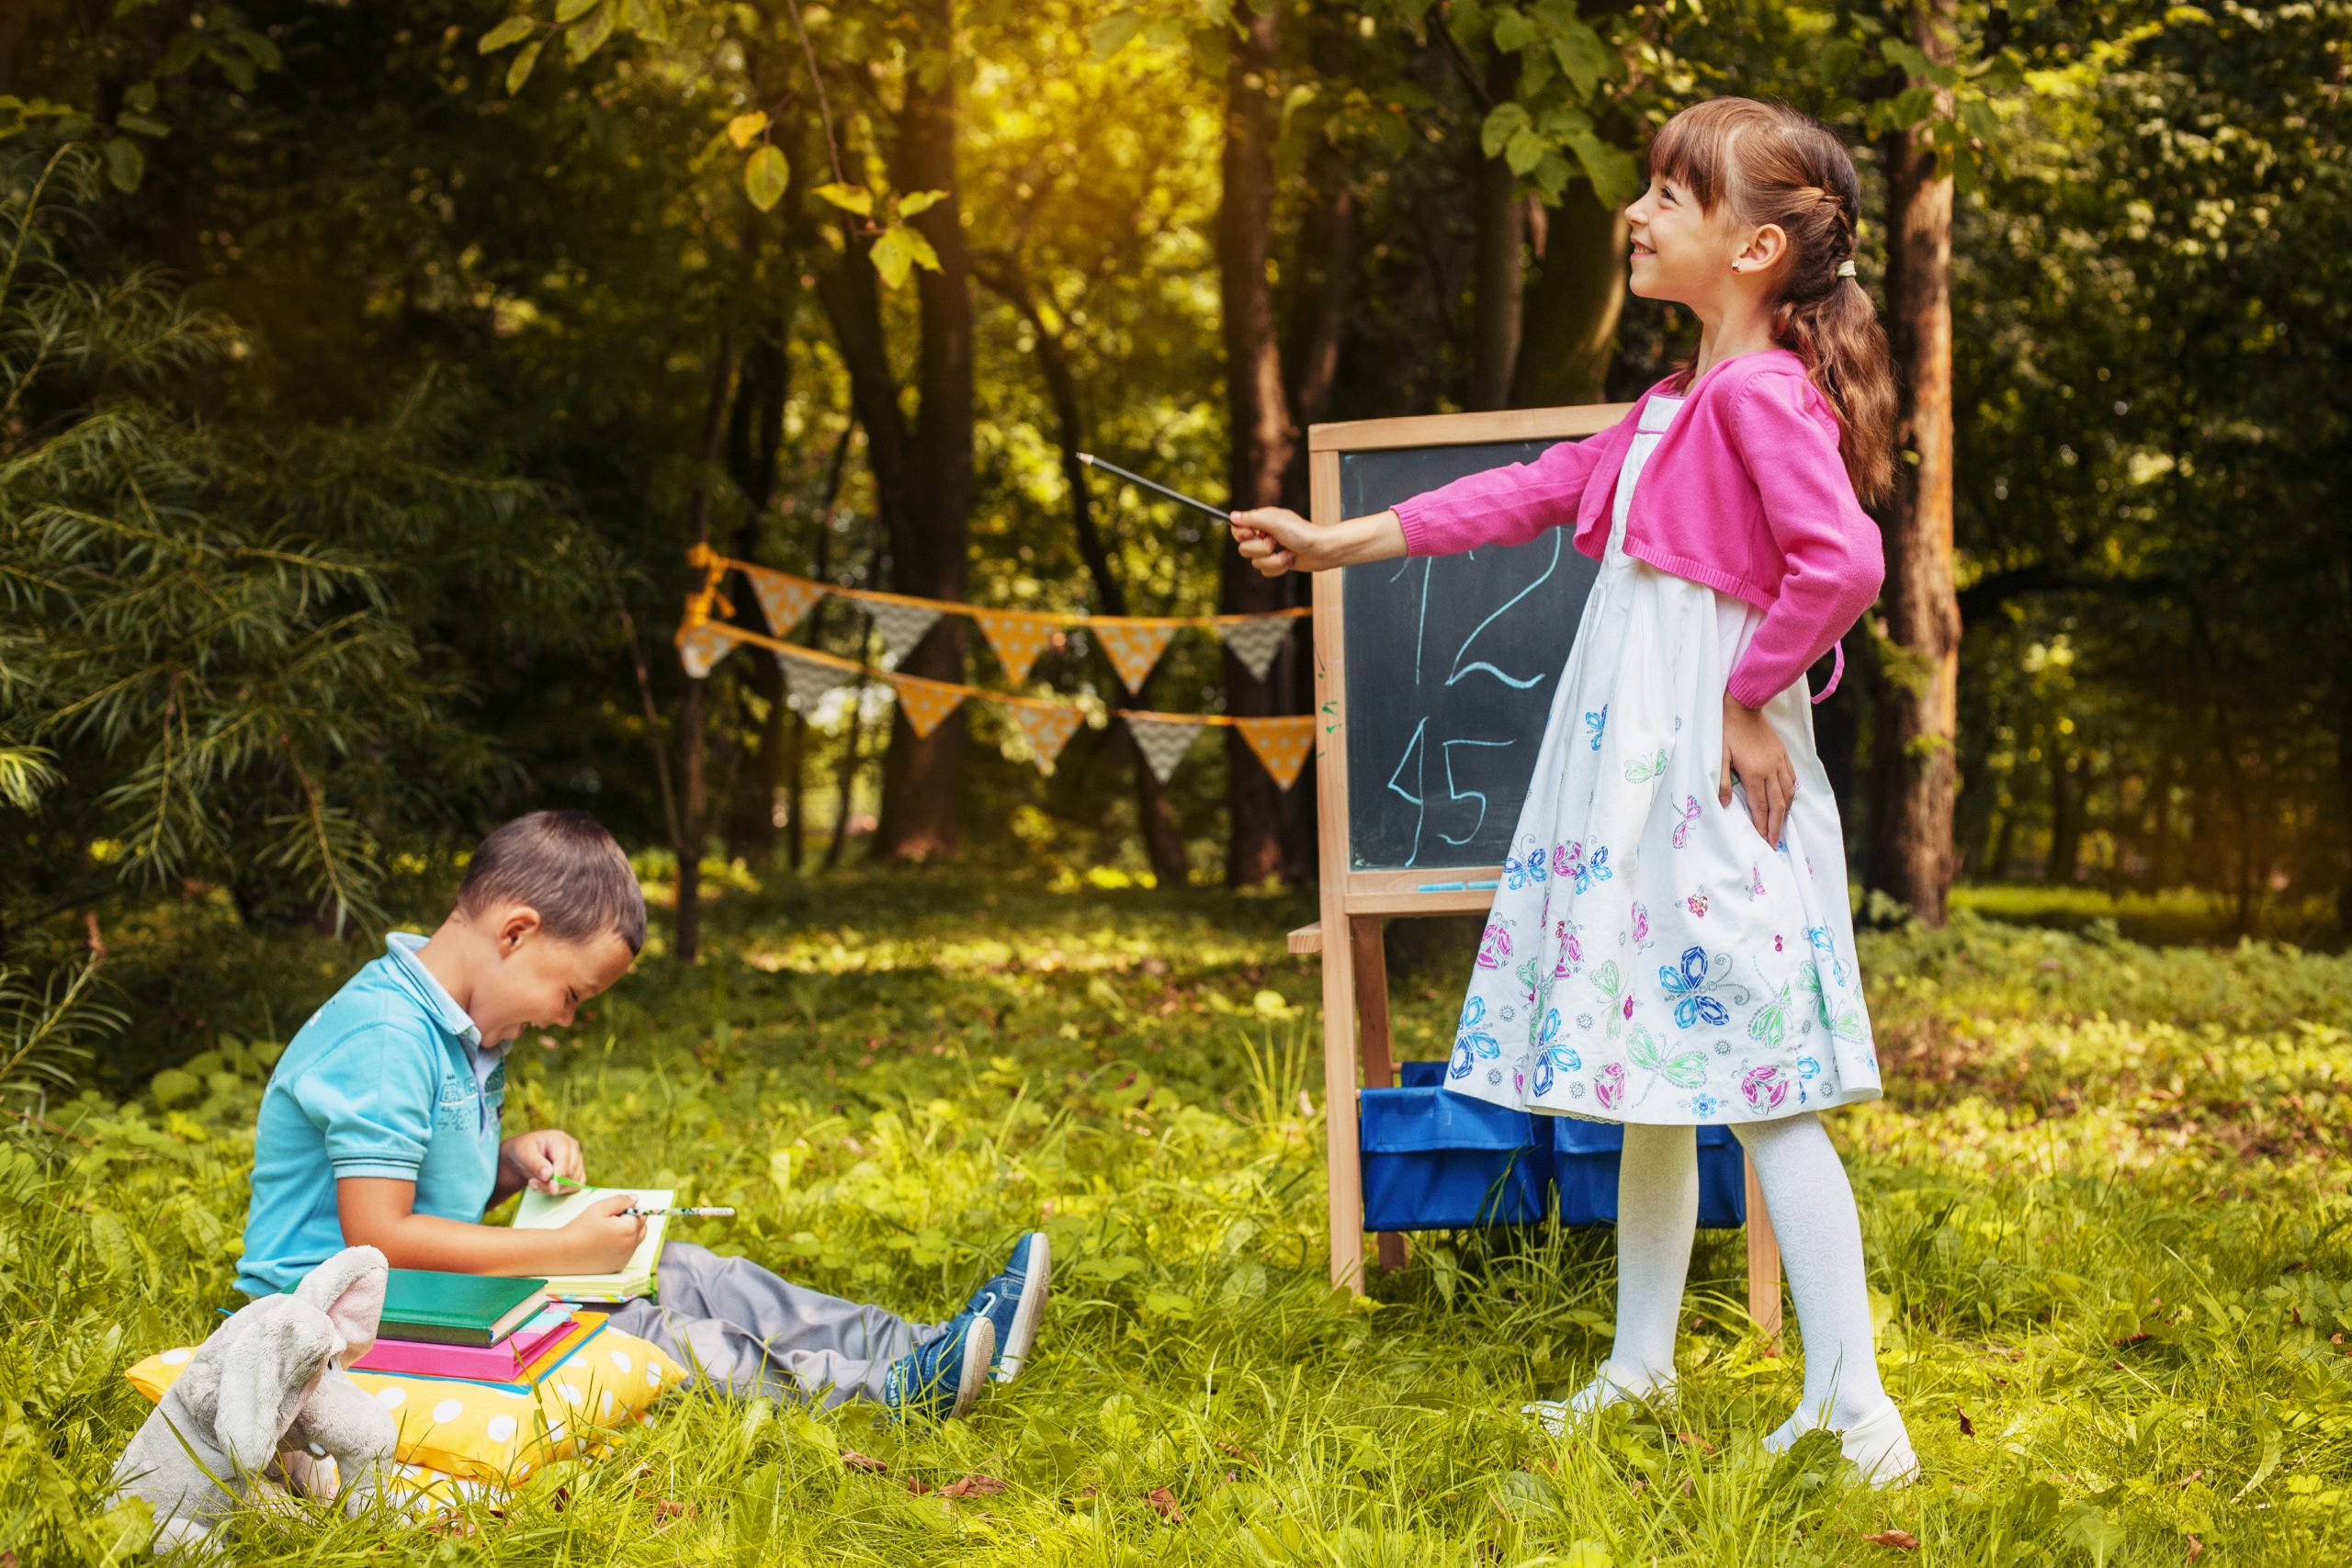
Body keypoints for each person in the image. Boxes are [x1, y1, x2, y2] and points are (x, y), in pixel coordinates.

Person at [1228, 97, 1916, 1485]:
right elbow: (1530, 492)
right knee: (1657, 1070)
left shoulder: (1760, 392)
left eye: (1675, 196)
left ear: (1759, 247)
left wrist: (1745, 692)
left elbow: (1841, 563)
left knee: (1766, 1080)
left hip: (1709, 768)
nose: (1640, 213)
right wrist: (1329, 543)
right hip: (1642, 767)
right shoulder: (1674, 403)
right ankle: (1638, 1362)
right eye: (1646, 189)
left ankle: (1859, 1410)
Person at [233, 808, 1050, 1420]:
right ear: (517, 931)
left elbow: (427, 1200)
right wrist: (554, 1249)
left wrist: (511, 1162)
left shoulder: (464, 1027)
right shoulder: (385, 1034)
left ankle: (921, 1342)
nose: (563, 1019)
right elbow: (379, 1238)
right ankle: (890, 1390)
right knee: (631, 1325)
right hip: (335, 1329)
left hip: (422, 1291)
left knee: (689, 1268)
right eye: (571, 993)